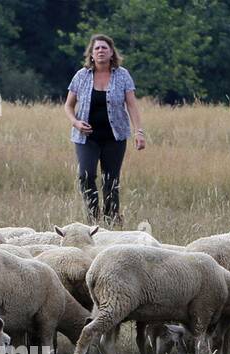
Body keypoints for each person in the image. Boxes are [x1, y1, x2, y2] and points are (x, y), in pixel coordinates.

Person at [63, 34, 145, 226]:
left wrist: (139, 132)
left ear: (111, 53)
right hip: (86, 137)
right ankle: (93, 218)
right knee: (86, 175)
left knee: (111, 180)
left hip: (114, 137)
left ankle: (112, 220)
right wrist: (75, 122)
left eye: (104, 48)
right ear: (91, 54)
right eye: (97, 48)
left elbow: (132, 105)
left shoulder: (122, 75)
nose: (100, 51)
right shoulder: (81, 75)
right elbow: (68, 106)